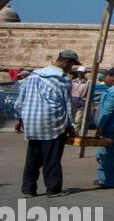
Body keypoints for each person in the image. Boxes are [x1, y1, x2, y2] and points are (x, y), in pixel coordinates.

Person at [15, 50, 78, 197]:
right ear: (66, 62)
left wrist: (19, 119)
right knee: (52, 157)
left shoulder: (33, 76)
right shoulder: (62, 80)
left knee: (33, 157)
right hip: (53, 123)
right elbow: (67, 105)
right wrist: (71, 126)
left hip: (32, 122)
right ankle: (53, 188)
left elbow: (20, 100)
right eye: (72, 65)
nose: (72, 68)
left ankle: (28, 189)